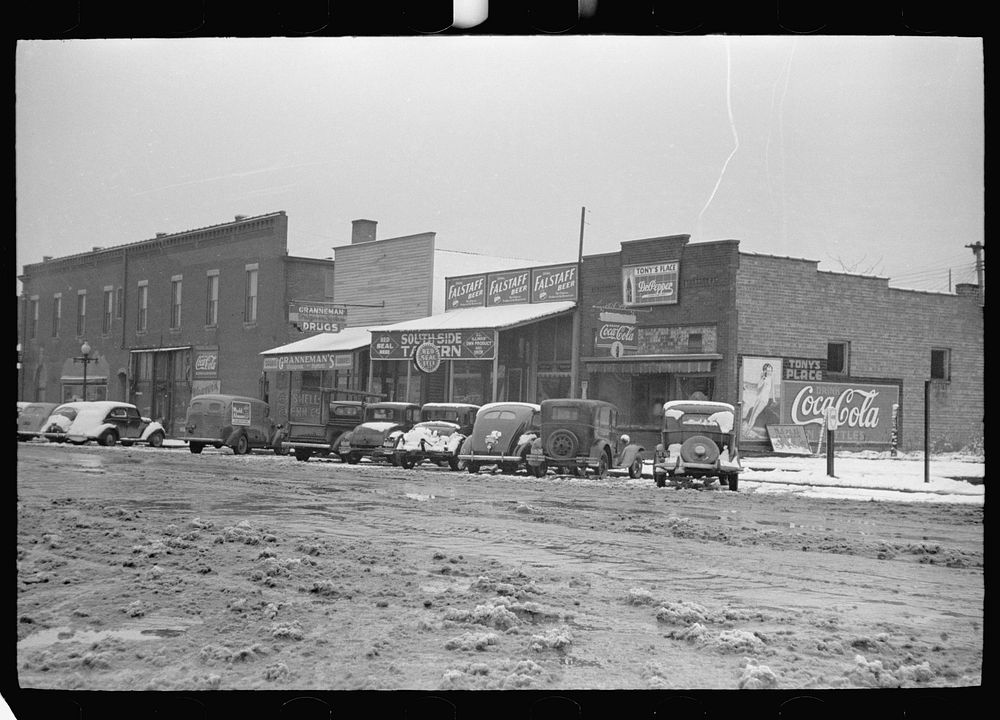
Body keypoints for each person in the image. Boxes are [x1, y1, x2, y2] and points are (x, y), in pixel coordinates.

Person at [743, 363, 774, 433]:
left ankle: (748, 430)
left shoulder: (771, 379)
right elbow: (758, 388)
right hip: (759, 398)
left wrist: (773, 399)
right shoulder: (763, 379)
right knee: (752, 414)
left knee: (754, 415)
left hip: (764, 400)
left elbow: (772, 390)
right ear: (764, 371)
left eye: (770, 370)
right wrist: (762, 380)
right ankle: (748, 429)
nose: (769, 372)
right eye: (767, 370)